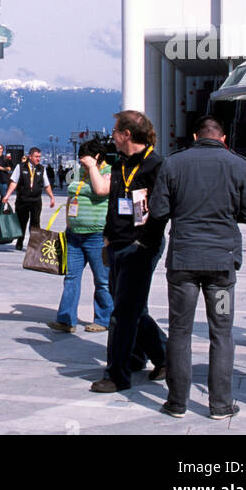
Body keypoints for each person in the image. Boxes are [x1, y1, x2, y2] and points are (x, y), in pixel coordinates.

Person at [148, 116, 246, 419]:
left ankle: (177, 402)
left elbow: (158, 211)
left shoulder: (173, 163)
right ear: (223, 138)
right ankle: (220, 405)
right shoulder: (239, 165)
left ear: (196, 136)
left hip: (183, 262)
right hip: (221, 265)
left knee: (180, 331)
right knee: (221, 332)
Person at [91, 110, 168, 394]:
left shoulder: (156, 166)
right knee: (133, 308)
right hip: (118, 243)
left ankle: (117, 375)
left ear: (127, 134)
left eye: (115, 131)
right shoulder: (120, 164)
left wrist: (143, 244)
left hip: (140, 247)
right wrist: (108, 237)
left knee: (121, 312)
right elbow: (114, 202)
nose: (111, 135)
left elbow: (161, 212)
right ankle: (160, 356)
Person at [48, 139, 113, 334]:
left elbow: (102, 190)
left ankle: (104, 318)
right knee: (71, 277)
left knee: (102, 279)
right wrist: (68, 220)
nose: (81, 163)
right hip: (74, 234)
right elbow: (71, 195)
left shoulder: (108, 172)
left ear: (97, 157)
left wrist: (93, 167)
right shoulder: (79, 172)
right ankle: (66, 319)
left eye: (84, 159)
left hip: (96, 234)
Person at [2, 146, 56, 251]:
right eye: (36, 156)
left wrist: (52, 197)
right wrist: (7, 195)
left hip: (36, 201)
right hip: (23, 200)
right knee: (22, 222)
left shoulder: (41, 169)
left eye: (39, 157)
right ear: (30, 157)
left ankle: (34, 244)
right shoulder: (20, 167)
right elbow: (14, 182)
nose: (38, 159)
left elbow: (47, 185)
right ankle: (20, 241)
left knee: (35, 223)